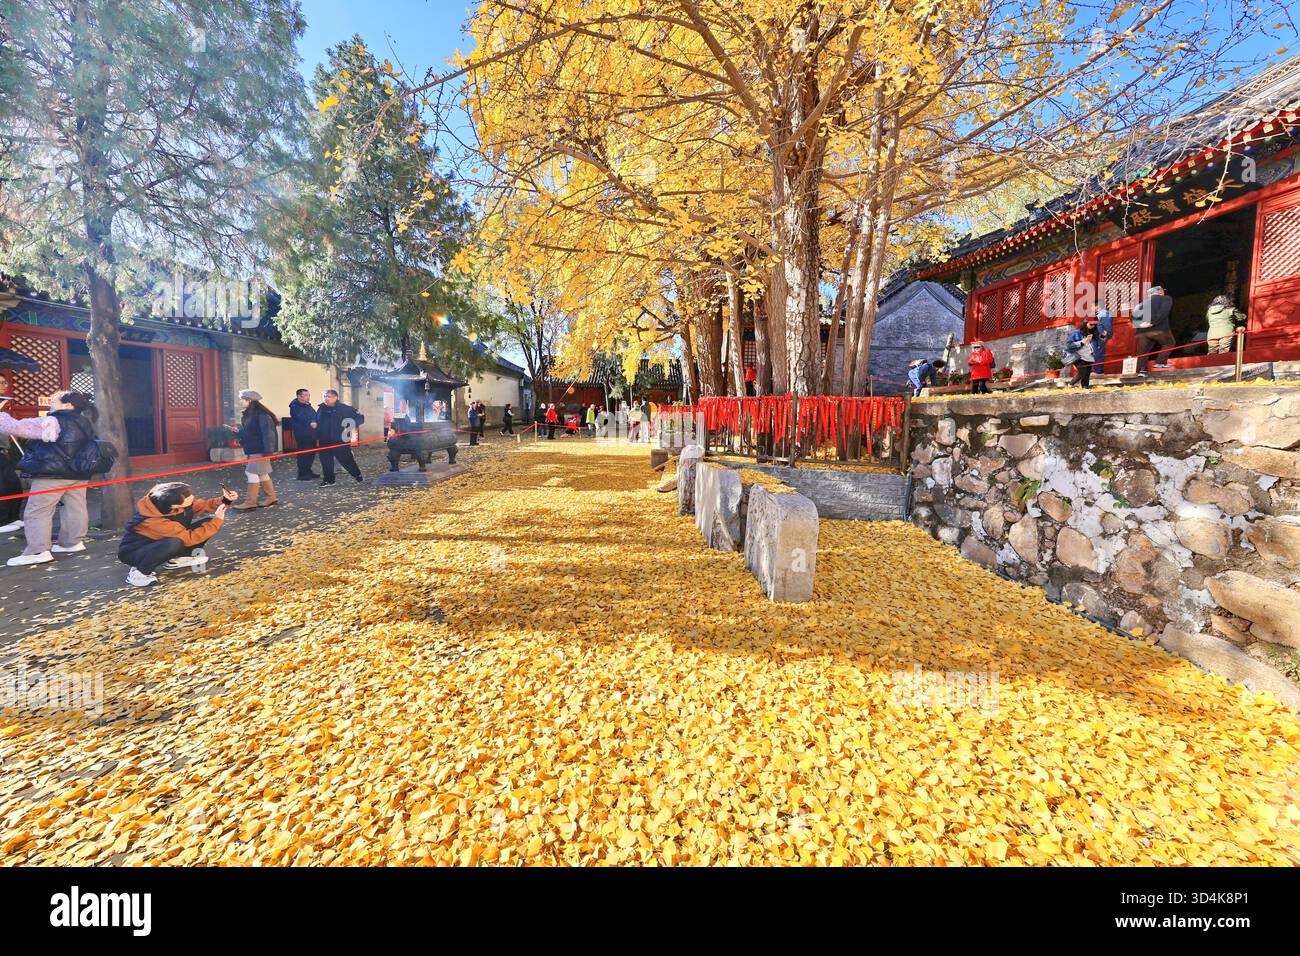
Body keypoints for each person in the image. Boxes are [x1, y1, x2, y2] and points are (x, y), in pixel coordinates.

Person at [6, 391, 102, 567]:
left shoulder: (51, 420)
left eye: (54, 401)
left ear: (67, 405)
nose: (50, 403)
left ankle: (37, 550)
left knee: (38, 510)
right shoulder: (84, 421)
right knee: (75, 507)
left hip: (52, 474)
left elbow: (15, 427)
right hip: (78, 474)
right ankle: (72, 542)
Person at [117, 481, 236, 587]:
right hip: (134, 553)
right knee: (175, 542)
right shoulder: (153, 520)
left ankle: (179, 558)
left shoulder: (168, 503)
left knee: (208, 522)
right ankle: (139, 573)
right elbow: (190, 538)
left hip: (160, 543)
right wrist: (218, 520)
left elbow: (203, 505)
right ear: (174, 506)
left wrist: (225, 500)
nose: (192, 497)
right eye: (188, 496)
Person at [228, 390, 279, 509]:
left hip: (259, 450)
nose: (240, 401)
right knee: (262, 473)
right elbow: (251, 433)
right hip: (254, 449)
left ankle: (250, 502)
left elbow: (268, 434)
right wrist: (239, 432)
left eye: (242, 399)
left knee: (251, 473)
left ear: (249, 401)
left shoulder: (261, 415)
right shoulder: (248, 415)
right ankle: (271, 497)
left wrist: (268, 452)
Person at [316, 389, 365, 484]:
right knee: (326, 461)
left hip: (340, 439)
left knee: (346, 459)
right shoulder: (321, 408)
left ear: (335, 397)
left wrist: (351, 425)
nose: (326, 398)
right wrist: (314, 423)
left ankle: (357, 475)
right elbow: (317, 420)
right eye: (324, 396)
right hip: (325, 440)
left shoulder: (345, 408)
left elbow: (360, 418)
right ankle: (329, 480)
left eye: (328, 396)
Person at [1130, 284, 1175, 371]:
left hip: (1141, 333)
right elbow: (1163, 312)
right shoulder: (1166, 298)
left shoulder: (1141, 304)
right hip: (1158, 330)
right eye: (1163, 290)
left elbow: (1132, 317)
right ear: (1160, 291)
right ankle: (1160, 362)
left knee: (1143, 352)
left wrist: (1140, 324)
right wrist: (1153, 322)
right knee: (1169, 343)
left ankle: (1141, 370)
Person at [1063, 319, 1105, 389]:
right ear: (1085, 323)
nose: (1093, 326)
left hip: (1089, 356)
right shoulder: (1076, 333)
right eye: (1091, 324)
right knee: (1082, 372)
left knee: (1087, 374)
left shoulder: (1094, 333)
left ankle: (1085, 388)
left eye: (1095, 325)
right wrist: (1081, 342)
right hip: (1078, 356)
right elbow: (1069, 345)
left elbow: (1100, 342)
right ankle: (1070, 385)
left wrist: (1103, 336)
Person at [288, 388, 319, 481]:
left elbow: (314, 415)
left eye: (308, 395)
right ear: (299, 396)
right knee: (304, 454)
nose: (308, 397)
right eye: (306, 395)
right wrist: (311, 421)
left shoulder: (307, 406)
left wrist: (315, 420)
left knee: (311, 453)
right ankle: (302, 474)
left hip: (311, 434)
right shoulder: (295, 407)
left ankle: (308, 471)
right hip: (302, 434)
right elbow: (301, 418)